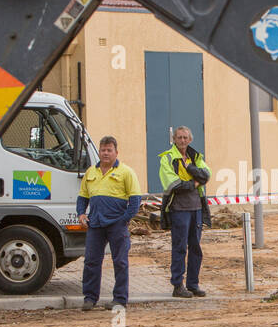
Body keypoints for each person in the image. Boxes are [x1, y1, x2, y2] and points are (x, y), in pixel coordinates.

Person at [77, 136, 142, 311]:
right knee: (91, 261)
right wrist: (81, 214)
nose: (105, 153)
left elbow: (135, 201)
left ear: (116, 152)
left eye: (109, 150)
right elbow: (82, 197)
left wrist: (123, 220)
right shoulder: (91, 172)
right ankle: (90, 298)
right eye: (103, 150)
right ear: (98, 152)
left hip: (116, 225)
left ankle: (120, 299)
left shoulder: (126, 172)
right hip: (95, 224)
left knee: (120, 262)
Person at [158, 125, 211, 298]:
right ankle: (177, 285)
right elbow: (174, 184)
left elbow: (206, 175)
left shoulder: (196, 157)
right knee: (179, 247)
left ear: (190, 139)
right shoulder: (167, 159)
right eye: (179, 137)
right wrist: (195, 183)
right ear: (174, 139)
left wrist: (191, 169)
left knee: (195, 248)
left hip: (196, 208)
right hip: (178, 209)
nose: (182, 140)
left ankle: (193, 284)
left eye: (185, 137)